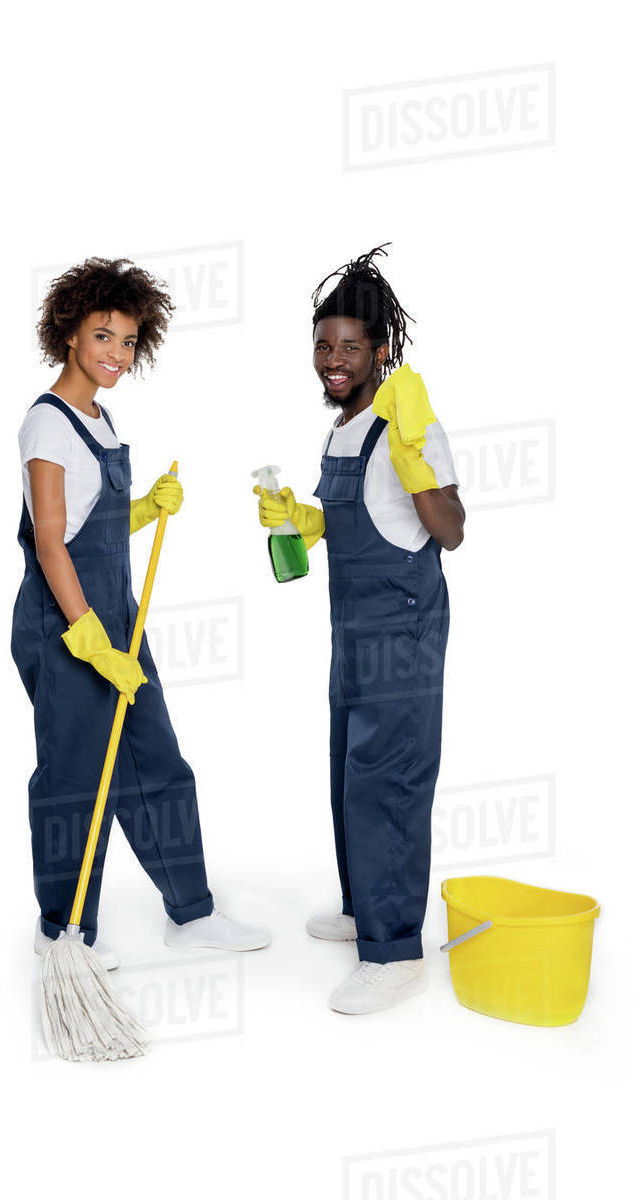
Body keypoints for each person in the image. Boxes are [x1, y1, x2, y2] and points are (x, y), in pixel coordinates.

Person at [12, 256, 269, 967]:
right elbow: (49, 542)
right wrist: (90, 643)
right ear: (69, 332)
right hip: (64, 625)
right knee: (75, 776)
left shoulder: (100, 414)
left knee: (153, 758)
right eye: (103, 337)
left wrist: (145, 508)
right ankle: (60, 932)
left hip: (114, 618)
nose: (116, 355)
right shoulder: (48, 425)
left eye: (128, 341)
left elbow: (91, 525)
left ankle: (190, 913)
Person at [254, 245, 464, 1014]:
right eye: (323, 346)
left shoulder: (406, 419)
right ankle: (362, 908)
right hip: (351, 629)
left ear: (381, 351)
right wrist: (300, 521)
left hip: (401, 628)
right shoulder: (340, 427)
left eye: (349, 348)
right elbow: (351, 521)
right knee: (350, 770)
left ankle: (395, 948)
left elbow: (449, 531)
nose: (333, 361)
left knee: (390, 779)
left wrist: (414, 457)